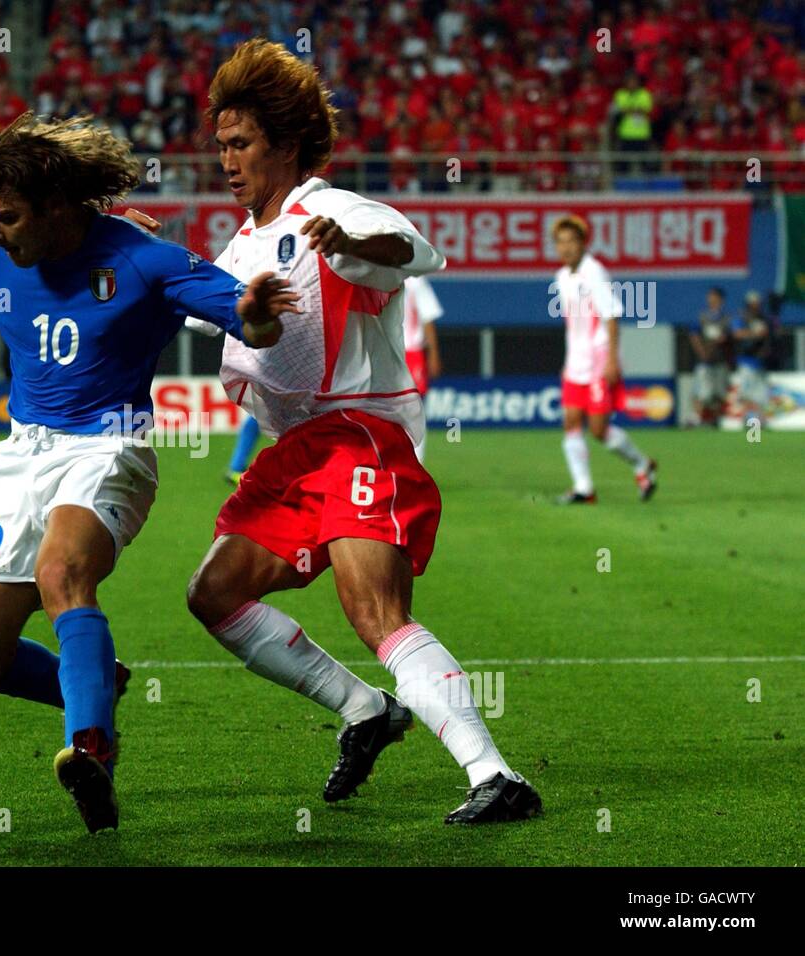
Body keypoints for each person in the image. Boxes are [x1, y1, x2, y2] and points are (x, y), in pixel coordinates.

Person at [0, 113, 297, 833]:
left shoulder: (145, 261)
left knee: (62, 573)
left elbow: (254, 324)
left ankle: (91, 745)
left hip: (110, 447)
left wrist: (256, 316)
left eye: (7, 217)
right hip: (20, 455)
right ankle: (99, 683)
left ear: (59, 208)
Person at [181, 40, 541, 825]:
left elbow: (413, 251)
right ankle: (365, 709)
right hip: (295, 452)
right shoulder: (241, 246)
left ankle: (497, 775)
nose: (228, 160)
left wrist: (348, 249)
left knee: (373, 610)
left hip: (357, 435)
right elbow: (186, 303)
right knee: (213, 593)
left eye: (240, 144)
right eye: (221, 145)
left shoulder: (333, 211)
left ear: (283, 142)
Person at [551, 215, 658, 504]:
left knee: (598, 429)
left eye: (571, 242)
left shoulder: (594, 272)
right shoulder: (561, 278)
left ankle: (642, 464)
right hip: (575, 363)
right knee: (571, 422)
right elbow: (573, 323)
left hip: (598, 359)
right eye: (560, 243)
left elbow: (610, 316)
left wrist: (612, 359)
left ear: (583, 243)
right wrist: (568, 358)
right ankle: (584, 488)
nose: (565, 248)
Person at [401, 275, 444, 461]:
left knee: (413, 413)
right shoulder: (377, 273)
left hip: (411, 353)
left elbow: (428, 317)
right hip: (384, 352)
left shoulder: (415, 279)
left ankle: (416, 464)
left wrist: (433, 354)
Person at [689, 287, 731, 426]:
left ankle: (716, 419)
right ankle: (695, 418)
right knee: (700, 391)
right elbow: (694, 335)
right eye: (710, 296)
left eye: (714, 296)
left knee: (719, 392)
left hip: (720, 360)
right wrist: (702, 353)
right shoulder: (703, 316)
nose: (711, 299)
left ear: (720, 299)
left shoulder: (726, 318)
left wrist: (724, 340)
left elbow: (731, 337)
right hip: (705, 361)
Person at [729, 291, 772, 422]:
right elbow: (736, 334)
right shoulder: (742, 317)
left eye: (757, 302)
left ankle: (759, 420)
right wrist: (755, 333)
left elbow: (767, 337)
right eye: (753, 302)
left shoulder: (762, 318)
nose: (756, 305)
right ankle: (749, 420)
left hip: (759, 361)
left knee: (760, 393)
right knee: (746, 392)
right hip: (745, 361)